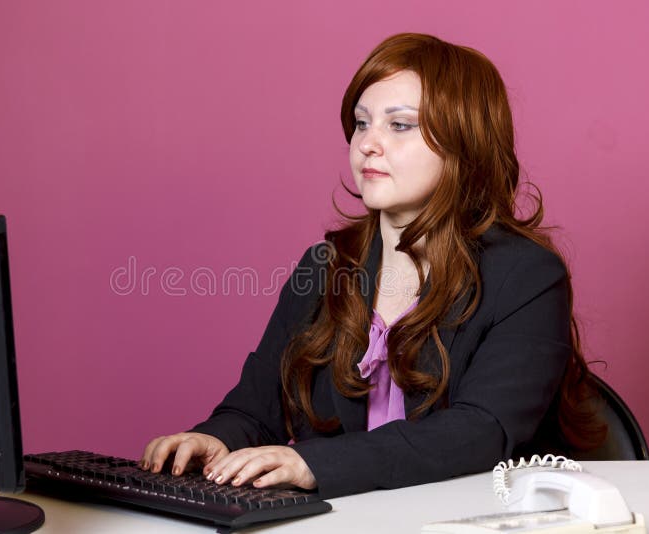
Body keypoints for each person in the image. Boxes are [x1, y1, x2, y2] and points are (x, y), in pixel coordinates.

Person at [140, 33, 604, 499]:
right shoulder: (324, 268)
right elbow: (253, 409)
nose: (368, 144)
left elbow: (480, 430)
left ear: (465, 143)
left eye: (400, 125)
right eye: (361, 124)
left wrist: (312, 463)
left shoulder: (527, 275)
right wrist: (213, 439)